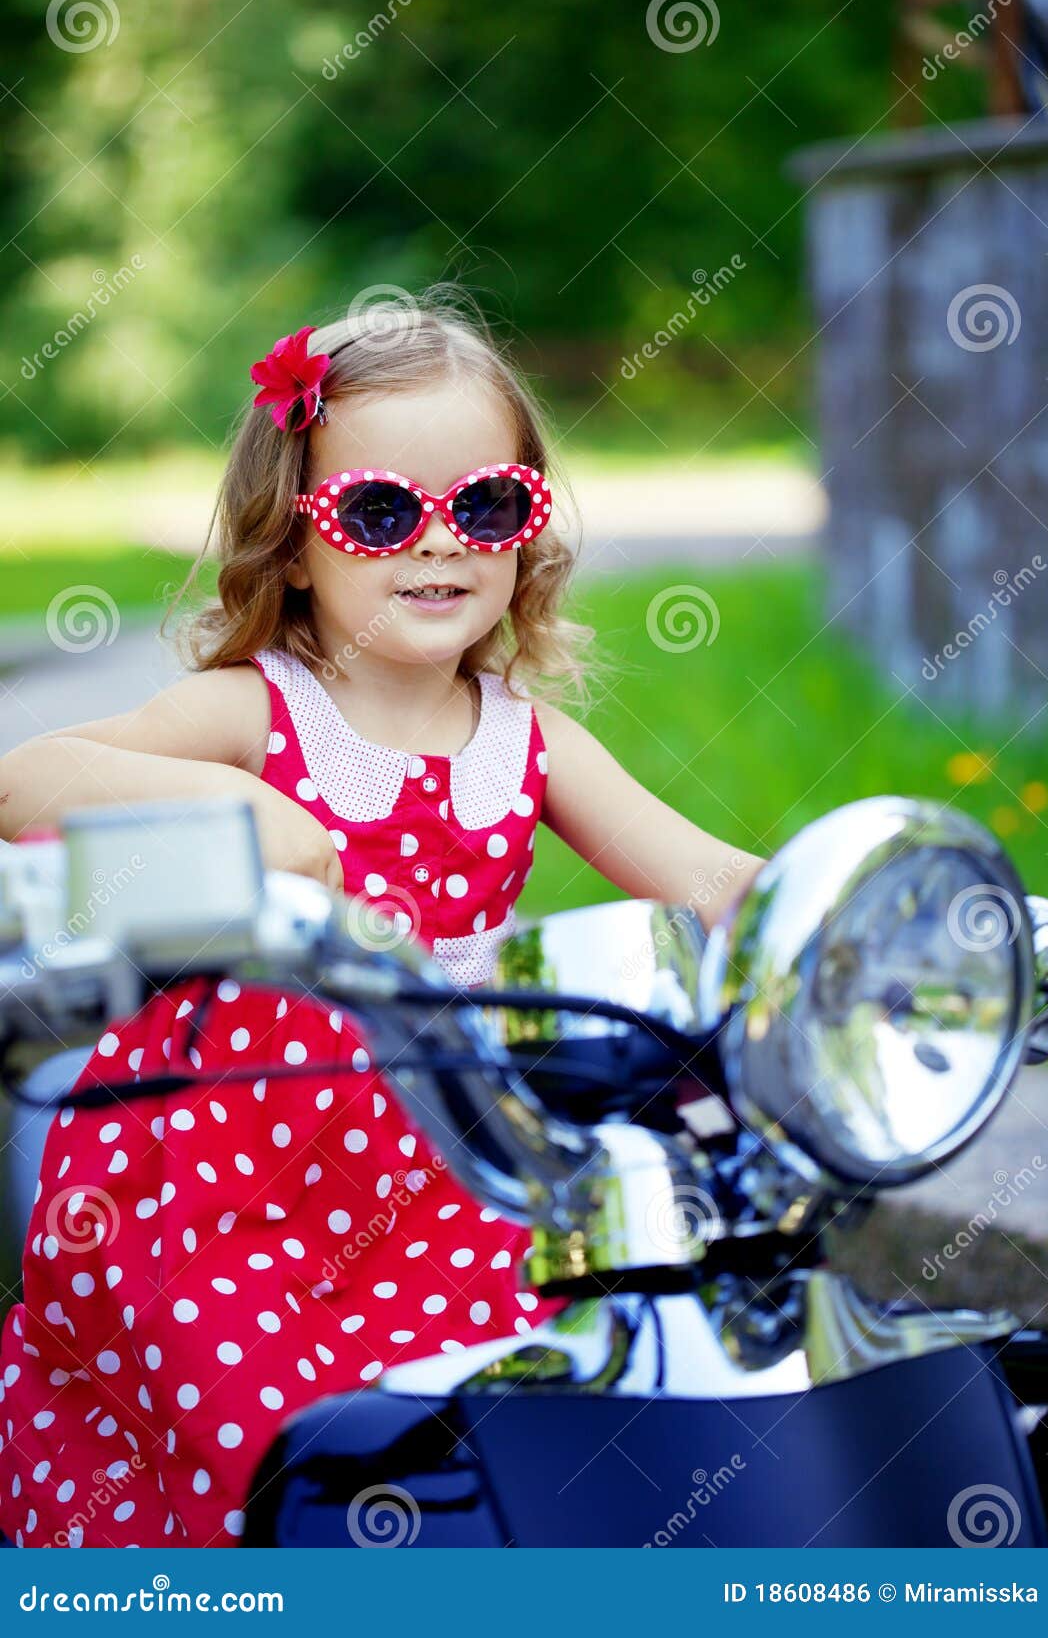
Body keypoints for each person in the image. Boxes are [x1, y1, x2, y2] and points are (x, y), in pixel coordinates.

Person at [0, 294, 764, 1548]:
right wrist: (248, 817)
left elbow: (711, 879)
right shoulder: (260, 711)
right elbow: (26, 778)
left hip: (437, 1166)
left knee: (508, 1410)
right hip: (216, 1177)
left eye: (487, 504)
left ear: (528, 530)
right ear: (294, 546)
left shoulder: (529, 742)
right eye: (376, 511)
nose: (438, 542)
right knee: (278, 1442)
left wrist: (916, 913)